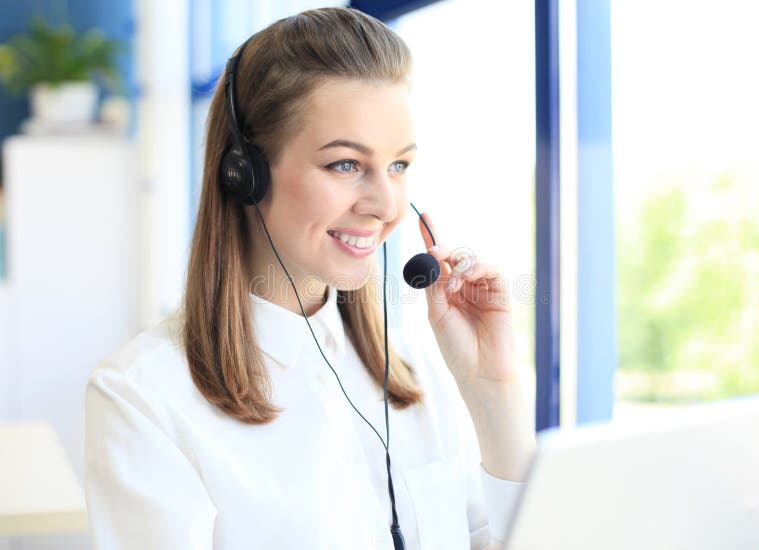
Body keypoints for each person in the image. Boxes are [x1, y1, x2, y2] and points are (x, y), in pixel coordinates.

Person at [84, 7, 536, 549]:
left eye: (399, 166)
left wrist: (495, 393)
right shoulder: (143, 398)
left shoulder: (413, 370)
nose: (386, 205)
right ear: (244, 172)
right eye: (345, 164)